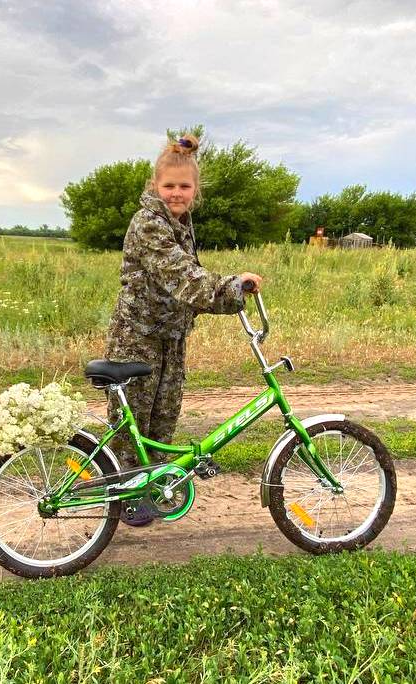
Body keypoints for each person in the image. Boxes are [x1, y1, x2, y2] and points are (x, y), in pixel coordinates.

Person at [104, 133, 262, 524]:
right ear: (155, 187)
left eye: (184, 186)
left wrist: (217, 299)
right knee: (132, 422)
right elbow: (183, 277)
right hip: (137, 337)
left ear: (195, 191)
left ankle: (154, 485)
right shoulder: (148, 224)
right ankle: (125, 494)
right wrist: (230, 287)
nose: (177, 193)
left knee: (163, 418)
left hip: (171, 337)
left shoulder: (180, 224)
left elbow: (180, 289)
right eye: (169, 185)